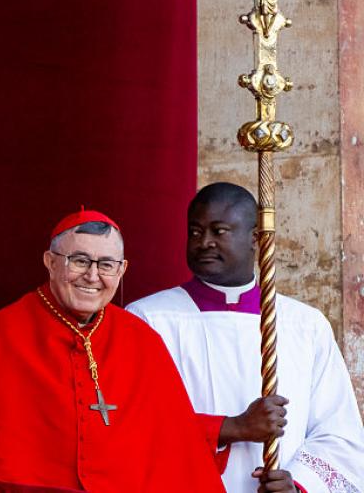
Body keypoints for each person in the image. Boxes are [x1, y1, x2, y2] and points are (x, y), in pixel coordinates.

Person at [0, 208, 225, 492]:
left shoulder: (144, 341)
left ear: (122, 269)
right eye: (79, 260)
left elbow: (179, 452)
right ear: (50, 261)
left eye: (106, 264)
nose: (93, 276)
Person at [128, 182, 364, 493]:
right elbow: (135, 426)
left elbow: (338, 432)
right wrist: (231, 428)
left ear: (255, 238)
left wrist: (299, 484)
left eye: (219, 231)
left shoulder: (304, 325)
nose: (204, 242)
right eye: (195, 232)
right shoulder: (148, 320)